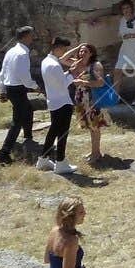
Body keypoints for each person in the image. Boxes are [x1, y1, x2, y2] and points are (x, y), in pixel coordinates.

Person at [38, 36, 88, 176]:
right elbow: (64, 83)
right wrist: (72, 72)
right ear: (58, 48)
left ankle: (43, 159)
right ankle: (60, 162)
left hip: (54, 101)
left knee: (53, 131)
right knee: (62, 134)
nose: (64, 52)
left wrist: (69, 73)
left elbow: (58, 79)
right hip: (62, 103)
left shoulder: (46, 61)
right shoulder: (53, 65)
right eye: (64, 49)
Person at [0, 25, 39, 165]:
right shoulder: (22, 54)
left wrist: (2, 89)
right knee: (17, 121)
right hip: (17, 89)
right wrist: (35, 86)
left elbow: (3, 72)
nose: (34, 37)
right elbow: (24, 75)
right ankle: (4, 153)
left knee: (28, 110)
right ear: (25, 36)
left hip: (11, 88)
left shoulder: (11, 51)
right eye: (32, 35)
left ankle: (28, 137)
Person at [74, 45, 114, 165]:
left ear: (91, 53)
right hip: (83, 100)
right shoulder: (79, 65)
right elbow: (63, 59)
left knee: (95, 127)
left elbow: (100, 83)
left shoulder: (96, 66)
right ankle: (94, 151)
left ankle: (96, 153)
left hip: (92, 100)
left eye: (85, 51)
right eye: (80, 51)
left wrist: (82, 82)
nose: (82, 53)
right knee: (90, 127)